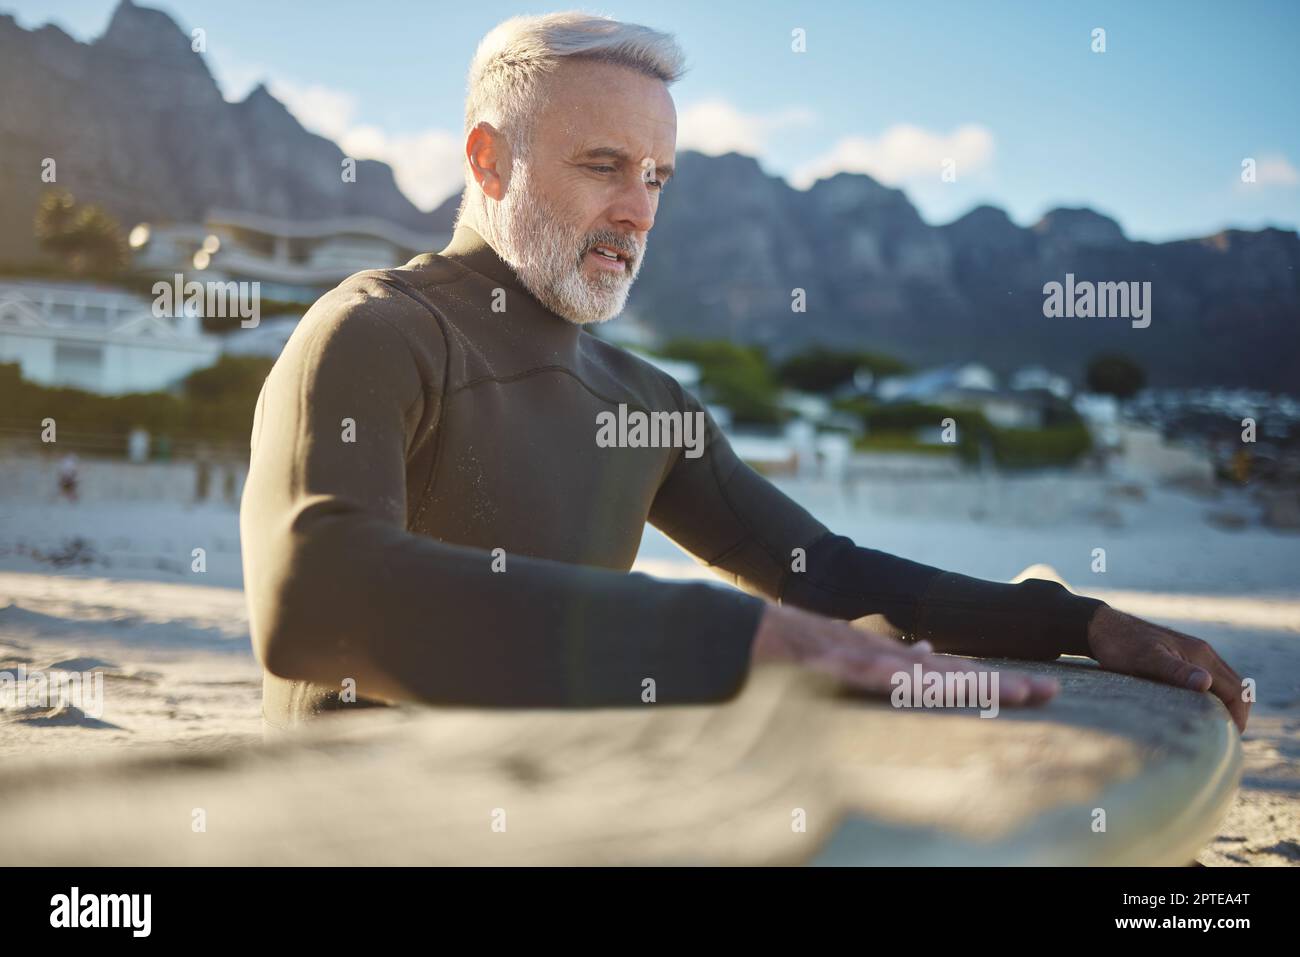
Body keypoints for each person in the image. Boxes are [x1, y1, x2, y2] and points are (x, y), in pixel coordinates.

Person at [240, 12, 1249, 733]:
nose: (638, 211)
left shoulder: (645, 404)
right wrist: (722, 637)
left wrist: (1078, 624)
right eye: (602, 164)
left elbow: (829, 576)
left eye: (657, 176)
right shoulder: (376, 333)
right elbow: (311, 600)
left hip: (561, 818)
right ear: (489, 161)